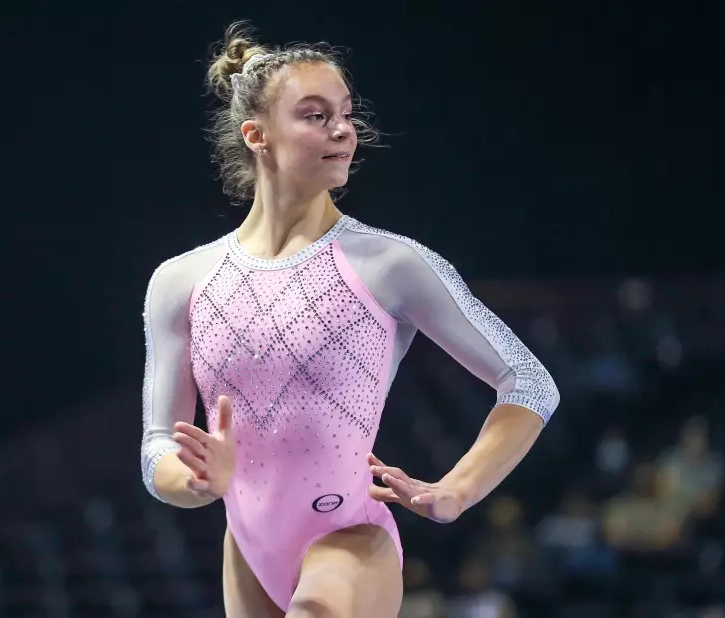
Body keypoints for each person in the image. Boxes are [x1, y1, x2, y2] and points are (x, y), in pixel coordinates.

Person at [140, 21, 560, 618]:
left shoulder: (389, 264)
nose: (343, 129)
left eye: (345, 113)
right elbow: (157, 448)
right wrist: (199, 483)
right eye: (314, 115)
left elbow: (529, 379)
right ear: (256, 135)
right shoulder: (180, 282)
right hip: (247, 545)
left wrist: (458, 490)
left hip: (347, 538)